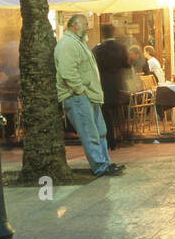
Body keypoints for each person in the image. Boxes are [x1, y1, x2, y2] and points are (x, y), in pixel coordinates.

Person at [54, 14, 123, 178]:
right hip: (78, 96)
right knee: (89, 133)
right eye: (85, 24)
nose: (87, 27)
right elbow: (67, 72)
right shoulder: (67, 44)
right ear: (74, 25)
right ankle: (100, 166)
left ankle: (104, 163)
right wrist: (80, 90)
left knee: (99, 131)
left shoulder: (77, 43)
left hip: (88, 95)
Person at [93, 24, 132, 152]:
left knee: (106, 113)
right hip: (118, 84)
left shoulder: (98, 49)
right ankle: (121, 137)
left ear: (103, 34)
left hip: (103, 84)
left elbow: (93, 65)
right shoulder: (121, 48)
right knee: (119, 112)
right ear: (113, 33)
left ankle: (110, 140)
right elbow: (126, 65)